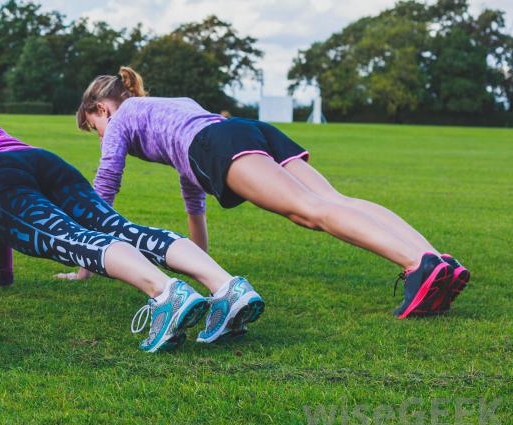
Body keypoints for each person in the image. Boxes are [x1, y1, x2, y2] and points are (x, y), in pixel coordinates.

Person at [0, 81, 265, 350]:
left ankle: (165, 293)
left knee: (71, 239)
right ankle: (226, 286)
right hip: (40, 161)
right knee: (120, 227)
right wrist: (2, 276)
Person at [73, 67, 470, 319]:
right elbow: (193, 200)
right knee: (335, 201)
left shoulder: (123, 115)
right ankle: (436, 260)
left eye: (93, 127)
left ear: (100, 109)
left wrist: (86, 259)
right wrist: (204, 266)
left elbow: (107, 180)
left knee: (309, 210)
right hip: (244, 129)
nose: (100, 136)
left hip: (216, 145)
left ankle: (416, 265)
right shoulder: (164, 107)